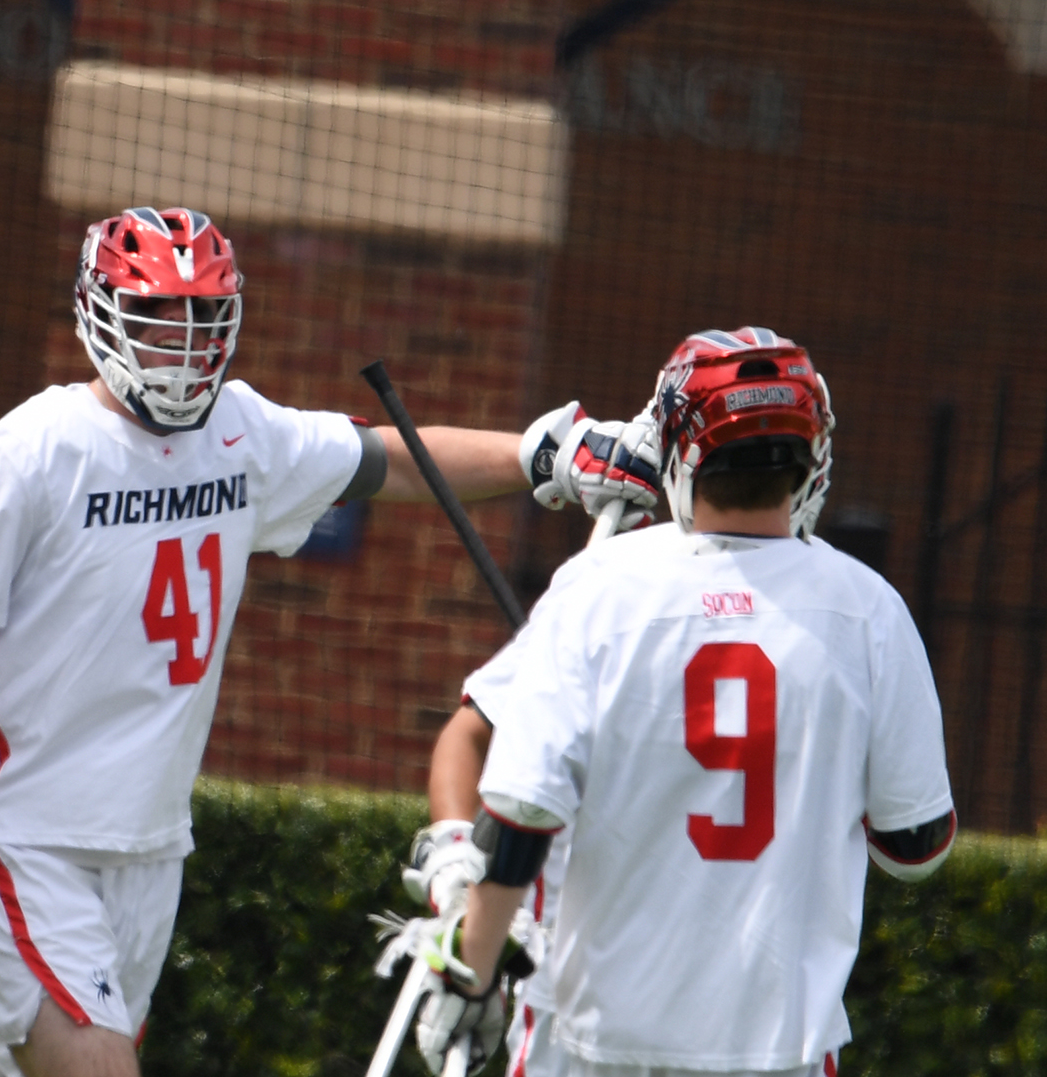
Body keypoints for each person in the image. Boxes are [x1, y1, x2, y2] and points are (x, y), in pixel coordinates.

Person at [0, 206, 659, 1077]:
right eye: (154, 315)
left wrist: (545, 453)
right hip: (25, 837)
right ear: (98, 310)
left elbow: (391, 459)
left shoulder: (241, 433)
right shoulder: (31, 452)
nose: (180, 342)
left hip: (150, 843)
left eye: (201, 315)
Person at [410, 327, 956, 1077]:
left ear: (678, 448)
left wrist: (468, 972)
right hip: (780, 1050)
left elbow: (520, 813)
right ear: (809, 454)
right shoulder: (869, 609)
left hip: (589, 1042)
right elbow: (915, 846)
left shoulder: (603, 584)